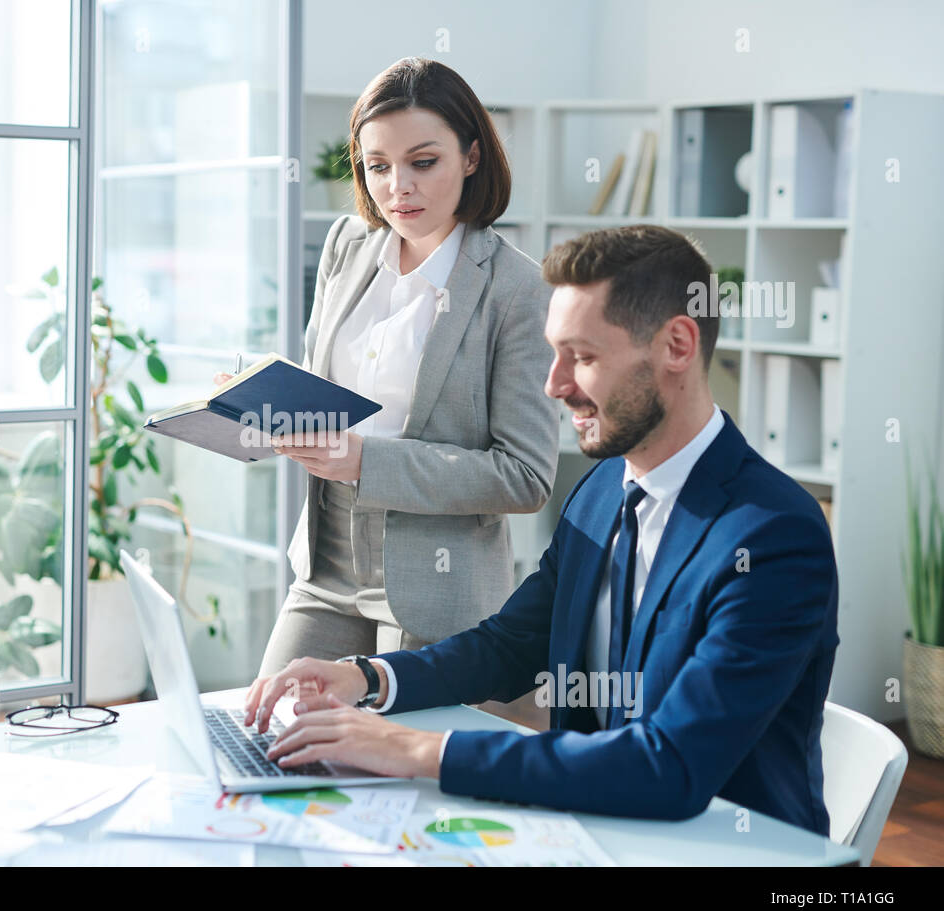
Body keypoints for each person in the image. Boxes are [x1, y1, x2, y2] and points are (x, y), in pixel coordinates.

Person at [243, 225, 839, 837]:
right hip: (595, 827)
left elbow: (671, 765)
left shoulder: (771, 536)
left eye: (582, 357)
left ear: (678, 346)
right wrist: (367, 677)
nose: (554, 385)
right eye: (555, 354)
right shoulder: (606, 489)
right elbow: (512, 644)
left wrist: (416, 751)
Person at [229, 58, 559, 677]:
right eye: (377, 166)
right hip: (327, 569)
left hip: (436, 589)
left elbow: (525, 475)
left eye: (423, 162)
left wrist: (365, 461)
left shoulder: (519, 289)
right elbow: (319, 381)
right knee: (268, 736)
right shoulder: (346, 244)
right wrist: (263, 402)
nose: (397, 187)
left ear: (471, 156)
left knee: (394, 769)